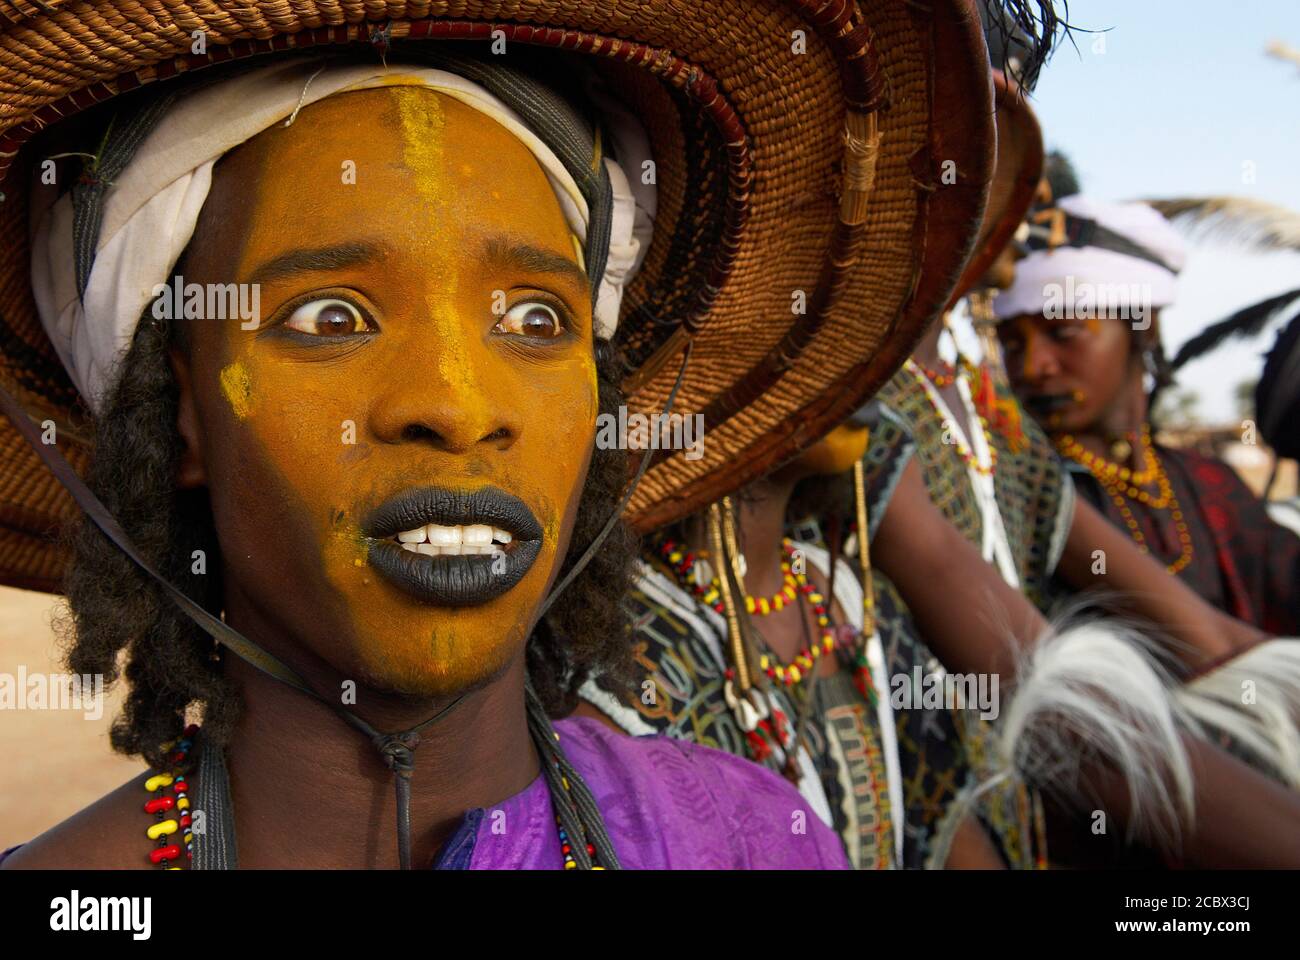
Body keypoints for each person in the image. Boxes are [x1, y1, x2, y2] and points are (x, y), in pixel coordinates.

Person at [0, 1, 1013, 869]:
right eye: (330, 318)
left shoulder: (754, 841)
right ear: (176, 418)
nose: (458, 404)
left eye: (535, 320)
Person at [995, 196, 1300, 637]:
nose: (1032, 367)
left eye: (1063, 332)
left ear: (1143, 327)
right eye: (1012, 344)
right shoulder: (1010, 492)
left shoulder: (1210, 486)